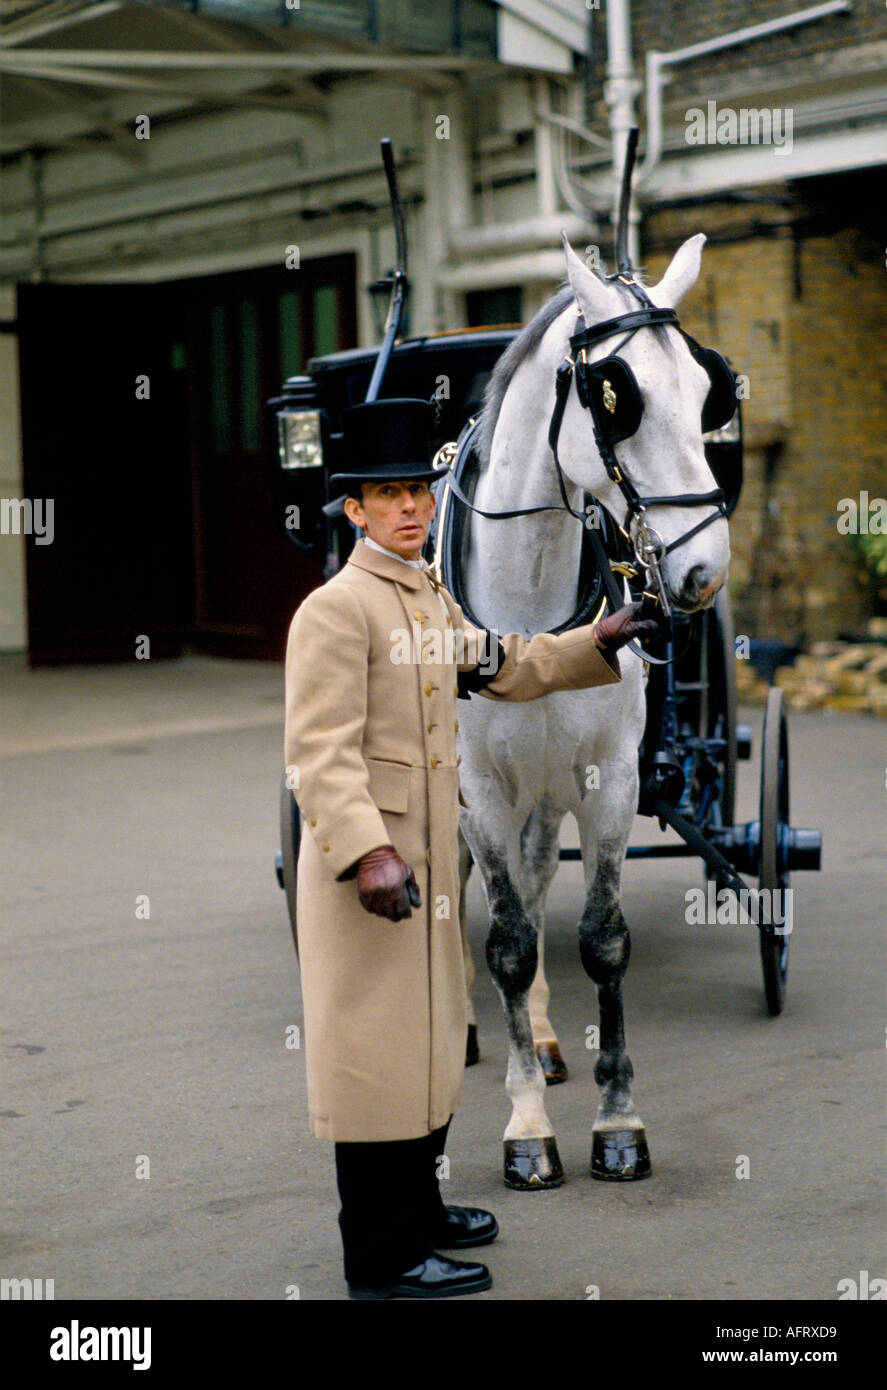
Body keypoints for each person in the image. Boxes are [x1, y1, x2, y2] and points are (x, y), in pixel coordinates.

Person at [284, 397, 659, 1299]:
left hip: (428, 874)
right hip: (371, 876)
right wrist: (368, 854)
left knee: (425, 1045)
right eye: (388, 495)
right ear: (354, 510)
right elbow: (319, 756)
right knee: (374, 1062)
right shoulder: (336, 611)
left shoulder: (425, 595)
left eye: (418, 491)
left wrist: (595, 642)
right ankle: (380, 1260)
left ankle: (421, 1214)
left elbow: (502, 664)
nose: (409, 508)